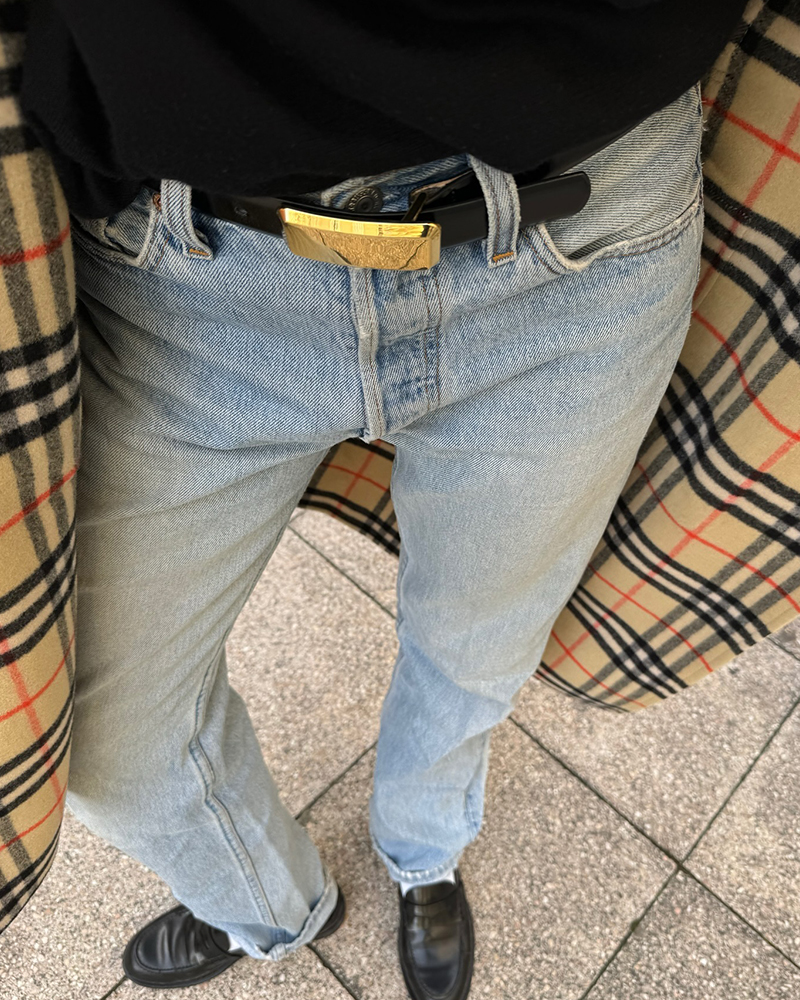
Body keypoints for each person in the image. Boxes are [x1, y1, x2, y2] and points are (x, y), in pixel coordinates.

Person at [17, 2, 750, 998]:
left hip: (576, 236)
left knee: (473, 644)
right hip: (181, 267)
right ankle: (269, 904)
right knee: (105, 731)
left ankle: (423, 855)